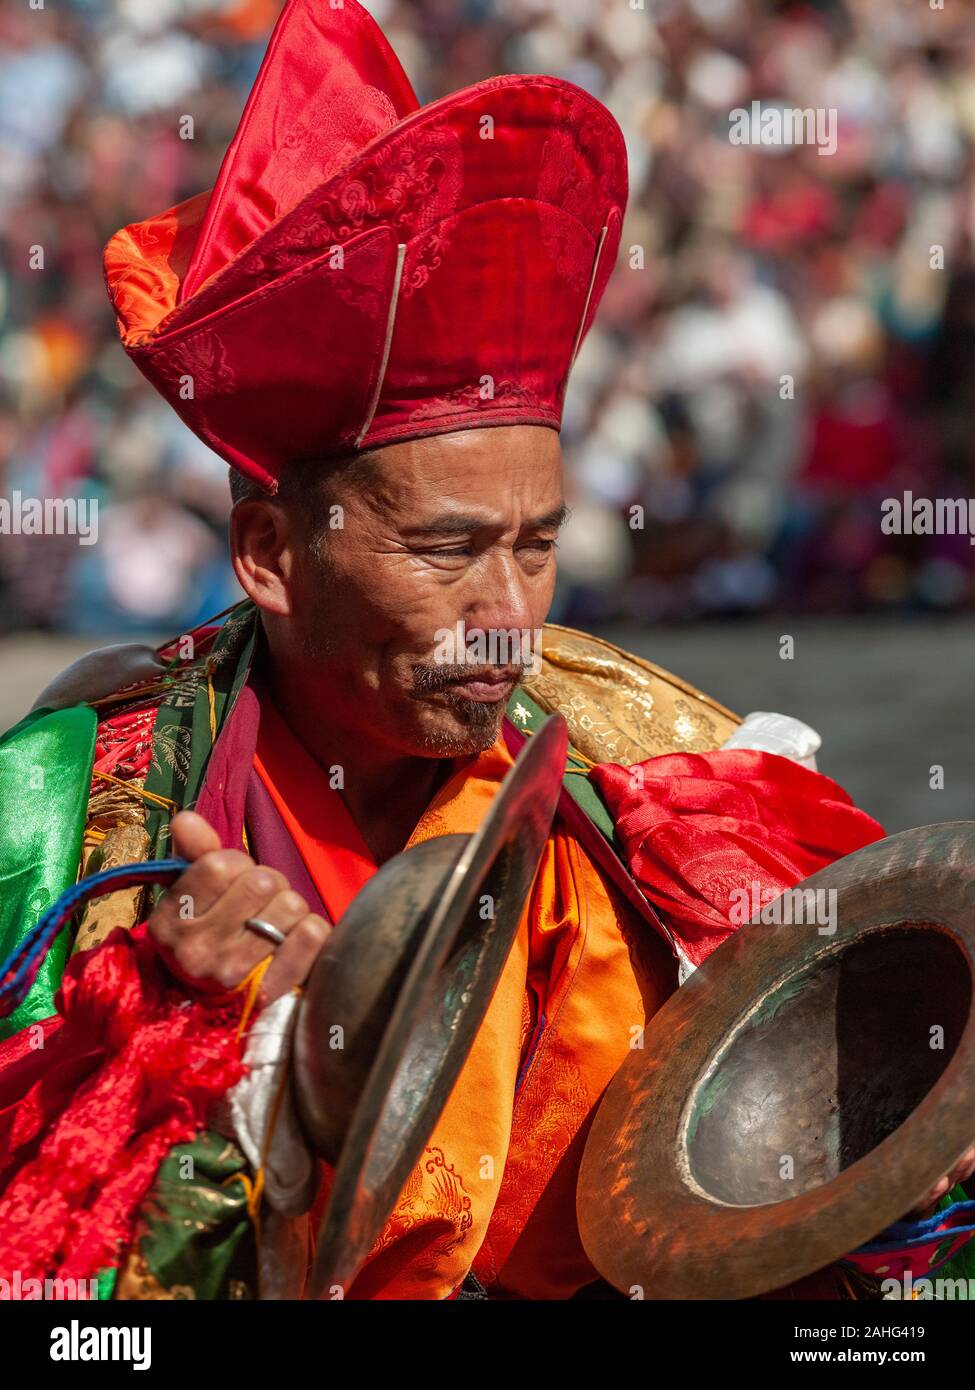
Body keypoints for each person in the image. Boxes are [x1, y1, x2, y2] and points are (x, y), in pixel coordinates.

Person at [0, 0, 971, 1302]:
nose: (511, 611)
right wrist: (198, 1055)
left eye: (538, 544)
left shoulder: (665, 782)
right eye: (449, 551)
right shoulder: (65, 824)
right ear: (271, 555)